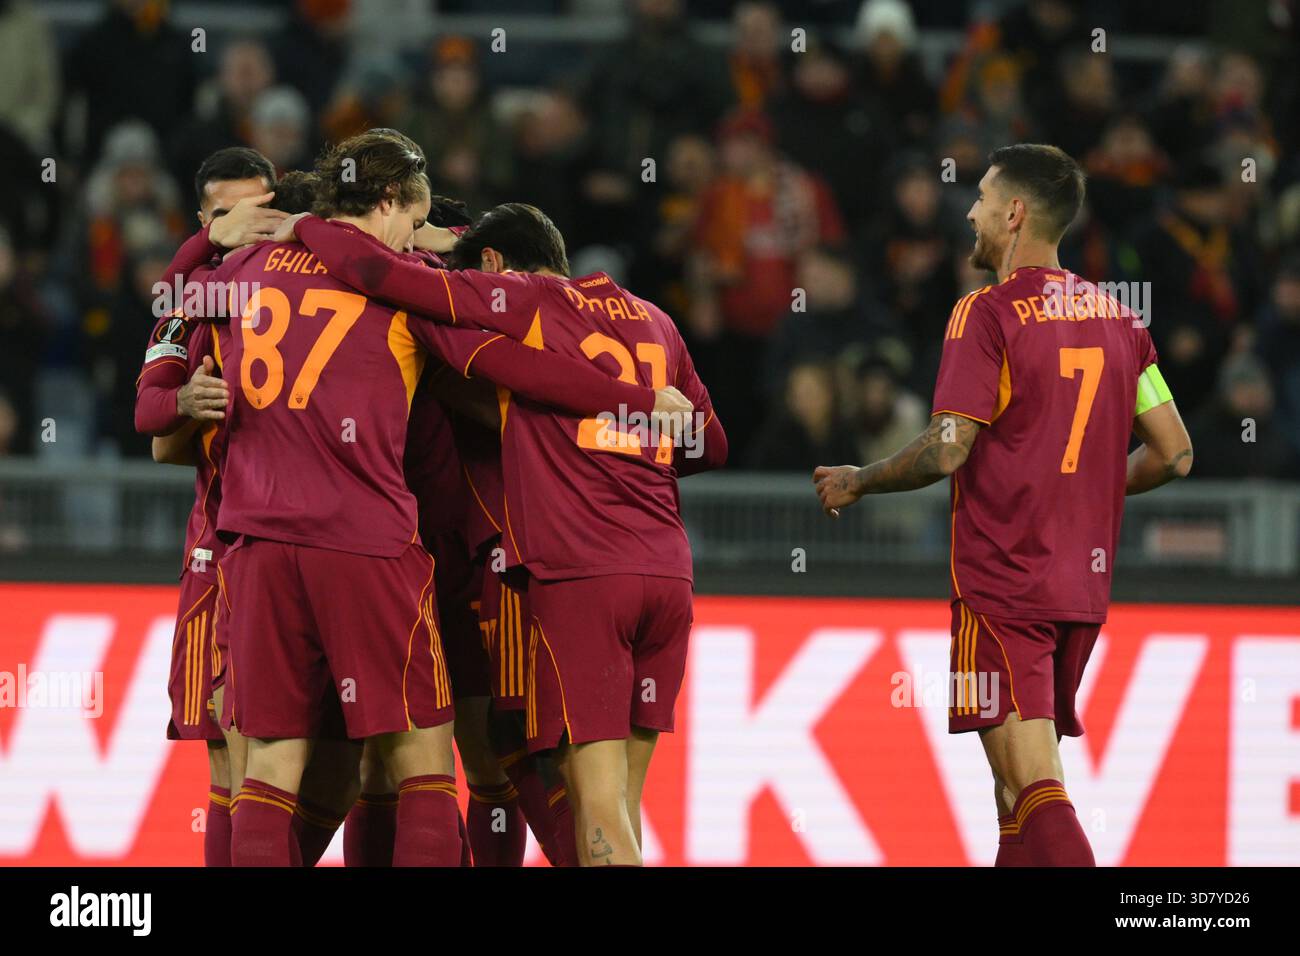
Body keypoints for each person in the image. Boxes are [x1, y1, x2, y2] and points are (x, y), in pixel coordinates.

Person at [186, 130, 690, 866]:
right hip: (373, 541)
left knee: (266, 775)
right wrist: (636, 401)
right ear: (389, 203)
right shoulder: (401, 285)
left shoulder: (238, 275)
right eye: (411, 222)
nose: (412, 239)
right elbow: (524, 373)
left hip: (256, 543)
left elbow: (166, 343)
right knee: (427, 762)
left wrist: (212, 240)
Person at [286, 199, 728, 866]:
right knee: (616, 802)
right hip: (668, 571)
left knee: (582, 795)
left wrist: (303, 224)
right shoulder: (656, 319)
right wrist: (626, 438)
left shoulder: (526, 303)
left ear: (491, 266)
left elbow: (389, 282)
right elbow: (709, 444)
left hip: (579, 572)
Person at [814, 144, 1193, 866]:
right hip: (1080, 588)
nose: (970, 210)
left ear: (1014, 213)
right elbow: (1175, 452)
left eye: (982, 197)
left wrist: (862, 478)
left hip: (1004, 583)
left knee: (1034, 784)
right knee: (1015, 799)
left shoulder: (984, 315)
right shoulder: (1120, 320)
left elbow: (948, 447)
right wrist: (1083, 485)